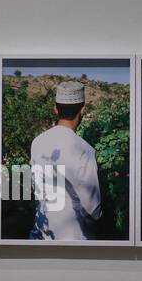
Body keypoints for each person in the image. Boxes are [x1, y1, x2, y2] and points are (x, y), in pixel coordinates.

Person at [29, 80, 102, 240]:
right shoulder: (85, 150)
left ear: (55, 109)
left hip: (40, 234)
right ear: (82, 109)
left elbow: (36, 187)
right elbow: (93, 209)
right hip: (74, 240)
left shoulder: (37, 142)